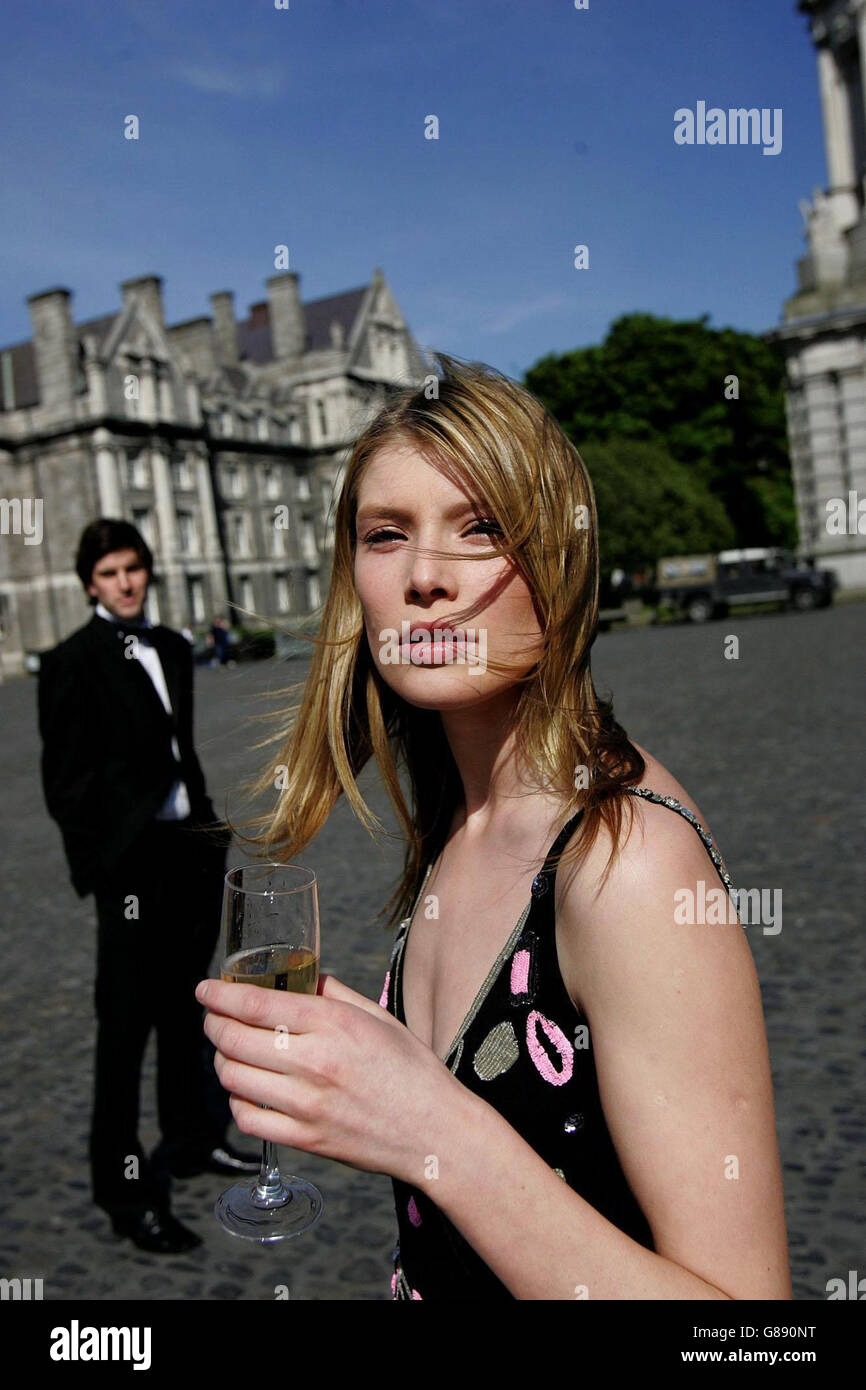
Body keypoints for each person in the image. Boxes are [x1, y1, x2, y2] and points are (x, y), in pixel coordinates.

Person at [195, 356, 792, 1300]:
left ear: (560, 556)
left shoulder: (622, 864)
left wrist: (428, 1129)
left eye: (482, 528)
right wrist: (368, 1088)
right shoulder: (460, 810)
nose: (426, 577)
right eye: (386, 534)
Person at [37, 518, 258, 1254]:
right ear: (89, 584)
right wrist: (104, 869)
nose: (125, 583)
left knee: (181, 1012)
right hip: (129, 871)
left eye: (132, 568)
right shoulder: (72, 661)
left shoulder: (170, 648)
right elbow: (66, 784)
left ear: (147, 571)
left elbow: (177, 750)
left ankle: (192, 1140)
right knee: (123, 1034)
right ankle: (125, 1191)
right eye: (109, 574)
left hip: (186, 855)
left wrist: (207, 830)